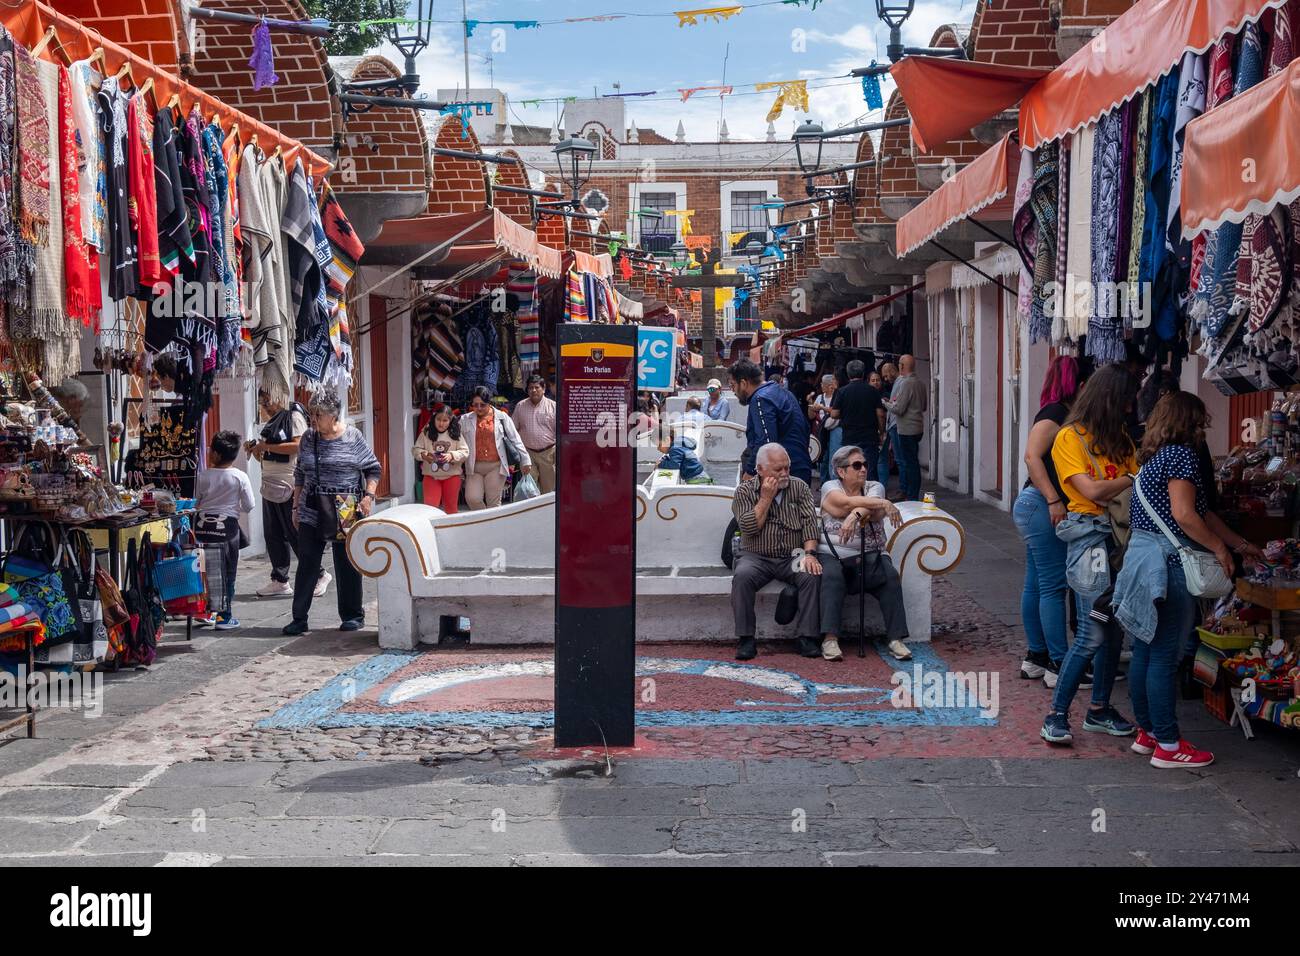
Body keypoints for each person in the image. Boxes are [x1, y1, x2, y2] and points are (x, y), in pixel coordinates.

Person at [1115, 393, 1260, 770]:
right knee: (1164, 655)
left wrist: (1240, 544)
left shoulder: (1153, 460)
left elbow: (1201, 512)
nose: (1203, 428)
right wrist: (1221, 551)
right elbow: (1186, 515)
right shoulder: (1182, 456)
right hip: (1168, 562)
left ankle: (1148, 733)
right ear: (1187, 422)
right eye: (1199, 422)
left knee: (1146, 649)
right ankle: (1167, 744)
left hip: (1144, 559)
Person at [1040, 364, 1139, 745]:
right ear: (1110, 400)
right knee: (1091, 632)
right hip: (1089, 542)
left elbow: (1110, 489)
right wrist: (1131, 478)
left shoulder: (1121, 440)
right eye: (1126, 400)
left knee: (1113, 632)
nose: (1131, 409)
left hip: (1119, 541)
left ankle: (1098, 709)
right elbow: (1092, 491)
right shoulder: (1069, 437)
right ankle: (1056, 714)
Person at [283, 392, 382, 636]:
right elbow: (300, 474)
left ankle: (352, 615)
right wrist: (296, 507)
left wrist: (368, 497)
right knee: (307, 560)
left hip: (346, 505)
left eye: (319, 415)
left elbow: (373, 468)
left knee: (346, 561)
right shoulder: (308, 437)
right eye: (311, 414)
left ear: (334, 415)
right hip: (312, 504)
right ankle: (299, 617)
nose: (314, 419)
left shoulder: (352, 436)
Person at [1014, 356, 1079, 687]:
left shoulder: (1054, 412)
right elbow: (1031, 456)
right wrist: (1054, 498)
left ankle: (1037, 657)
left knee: (1037, 583)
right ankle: (1058, 663)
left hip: (1034, 507)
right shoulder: (1055, 414)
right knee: (1053, 585)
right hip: (1041, 506)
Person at [818, 444, 910, 662]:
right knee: (831, 578)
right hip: (834, 554)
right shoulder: (830, 486)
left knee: (889, 576)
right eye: (856, 465)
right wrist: (879, 505)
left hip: (870, 553)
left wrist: (855, 515)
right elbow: (842, 503)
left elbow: (873, 510)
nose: (863, 469)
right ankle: (830, 639)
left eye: (865, 465)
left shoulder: (875, 487)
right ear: (841, 471)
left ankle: (896, 639)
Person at [730, 443, 822, 661]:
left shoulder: (799, 487)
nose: (784, 474)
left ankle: (806, 637)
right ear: (760, 470)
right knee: (742, 577)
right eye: (778, 469)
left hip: (792, 555)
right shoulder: (744, 491)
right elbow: (749, 528)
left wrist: (809, 554)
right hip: (756, 555)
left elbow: (810, 524)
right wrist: (766, 498)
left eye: (787, 468)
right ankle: (746, 638)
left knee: (811, 575)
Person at [248, 390, 329, 599]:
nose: (265, 406)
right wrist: (257, 451)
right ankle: (280, 579)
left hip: (290, 484)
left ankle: (319, 573)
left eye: (267, 401)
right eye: (262, 402)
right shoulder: (272, 422)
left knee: (295, 534)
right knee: (273, 534)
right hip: (270, 485)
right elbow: (270, 454)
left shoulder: (293, 416)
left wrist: (265, 446)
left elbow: (298, 445)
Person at [194, 430, 255, 631]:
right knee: (227, 574)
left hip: (202, 528)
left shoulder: (203, 476)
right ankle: (224, 616)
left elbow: (196, 502)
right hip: (228, 530)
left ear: (217, 455)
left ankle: (204, 611)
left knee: (204, 571)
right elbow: (249, 505)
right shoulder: (240, 477)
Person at [729, 358, 813, 484]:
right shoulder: (784, 393)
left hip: (783, 474)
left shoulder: (760, 399)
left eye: (732, 385)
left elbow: (766, 441)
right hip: (800, 467)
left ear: (743, 383)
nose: (732, 390)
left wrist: (750, 471)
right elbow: (805, 428)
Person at [461, 386, 530, 510]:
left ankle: (493, 527)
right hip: (473, 467)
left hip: (496, 466)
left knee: (493, 502)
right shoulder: (465, 419)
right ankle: (485, 523)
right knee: (472, 498)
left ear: (489, 403)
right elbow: (456, 439)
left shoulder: (502, 417)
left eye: (482, 405)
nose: (478, 408)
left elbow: (515, 439)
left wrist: (525, 461)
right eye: (475, 405)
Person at [828, 360, 886, 483]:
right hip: (870, 436)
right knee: (870, 470)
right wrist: (881, 431)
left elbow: (834, 414)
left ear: (848, 375)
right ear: (863, 373)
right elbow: (880, 414)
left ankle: (854, 498)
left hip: (850, 437)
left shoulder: (842, 391)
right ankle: (872, 498)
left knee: (851, 470)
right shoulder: (872, 391)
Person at [883, 354, 927, 500]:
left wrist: (885, 403)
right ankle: (911, 493)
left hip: (907, 428)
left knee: (909, 463)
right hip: (918, 427)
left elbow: (899, 409)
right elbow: (924, 406)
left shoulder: (907, 383)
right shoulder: (920, 382)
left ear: (902, 366)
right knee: (912, 461)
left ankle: (911, 495)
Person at [414, 404, 469, 513]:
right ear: (434, 418)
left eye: (445, 420)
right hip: (431, 476)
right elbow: (416, 450)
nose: (441, 423)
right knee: (430, 509)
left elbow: (465, 452)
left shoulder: (456, 434)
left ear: (450, 420)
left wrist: (452, 455)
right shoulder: (426, 432)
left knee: (451, 509)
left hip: (452, 476)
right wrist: (424, 455)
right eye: (438, 419)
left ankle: (452, 530)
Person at [511, 374, 556, 495]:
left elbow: (559, 432)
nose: (534, 390)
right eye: (531, 388)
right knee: (530, 491)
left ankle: (547, 514)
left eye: (537, 387)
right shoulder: (520, 406)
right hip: (528, 453)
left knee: (549, 491)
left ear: (544, 389)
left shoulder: (553, 406)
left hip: (549, 453)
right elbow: (513, 430)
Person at [809, 375, 842, 484]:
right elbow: (811, 416)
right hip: (822, 430)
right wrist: (811, 405)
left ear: (829, 386)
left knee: (834, 455)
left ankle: (834, 482)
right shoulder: (819, 397)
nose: (821, 385)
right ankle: (824, 483)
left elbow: (836, 411)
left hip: (835, 428)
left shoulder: (838, 396)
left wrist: (822, 408)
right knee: (823, 456)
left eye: (822, 384)